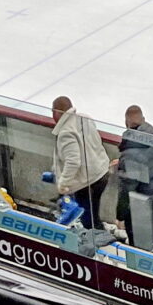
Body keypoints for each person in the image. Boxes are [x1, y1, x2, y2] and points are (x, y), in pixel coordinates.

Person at [115, 106, 153, 255]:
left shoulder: (129, 154)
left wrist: (120, 215)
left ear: (126, 124)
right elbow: (151, 163)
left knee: (138, 251)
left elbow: (127, 188)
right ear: (144, 120)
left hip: (140, 210)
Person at [50, 95, 108, 225]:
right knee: (92, 214)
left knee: (87, 219)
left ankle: (93, 233)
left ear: (56, 112)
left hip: (87, 183)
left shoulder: (66, 132)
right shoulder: (84, 118)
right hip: (101, 173)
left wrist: (63, 184)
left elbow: (73, 161)